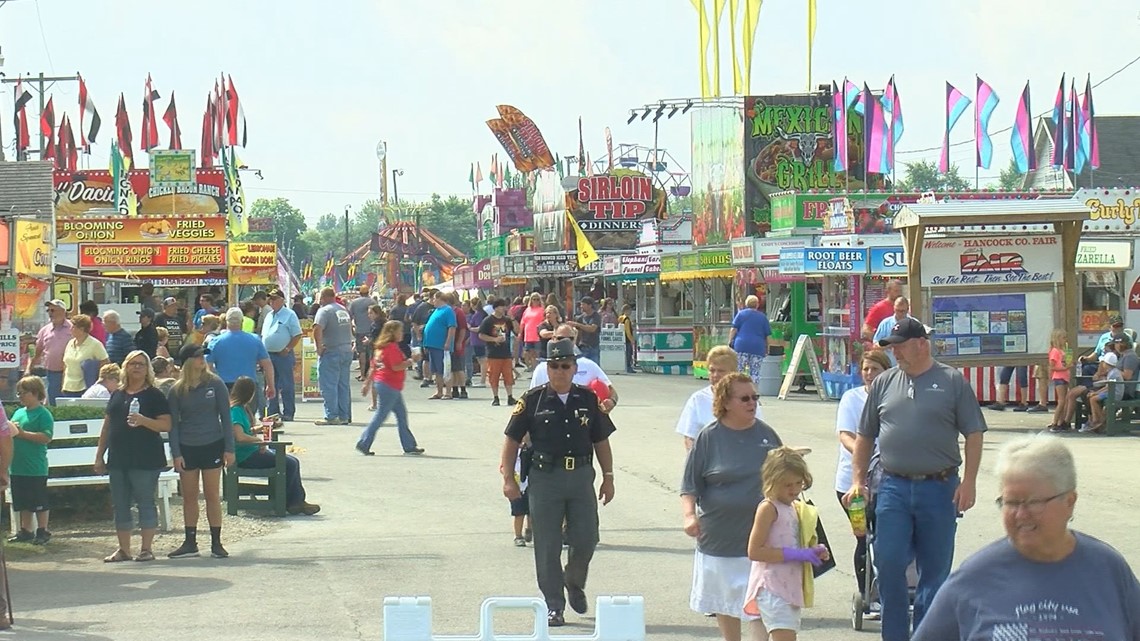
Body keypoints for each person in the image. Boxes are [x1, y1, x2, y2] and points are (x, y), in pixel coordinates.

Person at [913, 435, 1140, 640]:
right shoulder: (974, 578)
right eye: (1011, 502)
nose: (1021, 514)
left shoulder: (1108, 569)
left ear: (1069, 501)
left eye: (1034, 502)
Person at [844, 318, 987, 641]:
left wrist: (970, 482)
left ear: (922, 343)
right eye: (891, 347)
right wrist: (858, 480)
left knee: (934, 571)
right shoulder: (885, 383)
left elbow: (974, 433)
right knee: (889, 561)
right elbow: (865, 436)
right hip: (893, 485)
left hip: (939, 486)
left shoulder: (952, 381)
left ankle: (927, 633)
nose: (895, 353)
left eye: (900, 346)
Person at [500, 338, 617, 627]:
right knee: (547, 544)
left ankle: (574, 581)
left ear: (574, 368)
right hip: (545, 478)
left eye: (565, 366)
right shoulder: (533, 399)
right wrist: (508, 480)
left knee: (587, 537)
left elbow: (600, 440)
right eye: (553, 366)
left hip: (580, 477)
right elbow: (512, 439)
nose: (559, 371)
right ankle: (554, 604)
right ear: (547, 368)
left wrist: (609, 477)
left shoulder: (587, 399)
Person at [681, 372, 783, 641]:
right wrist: (689, 516)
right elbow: (690, 485)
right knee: (726, 603)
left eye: (755, 398)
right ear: (726, 402)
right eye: (745, 398)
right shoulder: (708, 438)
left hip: (761, 540)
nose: (752, 403)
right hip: (720, 540)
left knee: (759, 608)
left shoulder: (767, 435)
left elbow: (786, 478)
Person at [93, 350, 172, 563]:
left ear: (148, 370)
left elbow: (166, 424)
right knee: (120, 504)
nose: (136, 367)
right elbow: (107, 426)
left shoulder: (154, 395)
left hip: (145, 458)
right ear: (125, 367)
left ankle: (146, 549)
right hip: (119, 458)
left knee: (145, 501)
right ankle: (124, 550)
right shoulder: (118, 394)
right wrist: (99, 455)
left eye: (141, 364)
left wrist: (144, 420)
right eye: (132, 364)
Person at [744, 447, 829, 640]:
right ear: (771, 482)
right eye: (787, 485)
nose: (794, 489)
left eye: (798, 483)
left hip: (787, 586)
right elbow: (754, 551)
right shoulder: (768, 508)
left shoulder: (792, 507)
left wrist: (812, 551)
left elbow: (788, 537)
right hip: (771, 587)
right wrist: (795, 554)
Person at [834, 349, 892, 618]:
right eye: (866, 369)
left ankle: (889, 590)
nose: (869, 374)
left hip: (888, 478)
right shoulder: (851, 398)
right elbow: (845, 434)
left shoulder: (895, 397)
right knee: (863, 537)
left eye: (875, 370)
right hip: (852, 485)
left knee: (886, 537)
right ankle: (868, 594)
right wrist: (864, 453)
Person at [168, 343, 235, 559]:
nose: (202, 360)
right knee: (189, 496)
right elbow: (173, 425)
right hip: (187, 445)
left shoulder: (215, 384)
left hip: (212, 442)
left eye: (203, 356)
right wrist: (176, 453)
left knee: (212, 494)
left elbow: (226, 417)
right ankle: (190, 541)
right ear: (188, 361)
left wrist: (229, 448)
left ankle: (216, 541)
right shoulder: (177, 390)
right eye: (197, 357)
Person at [229, 376, 320, 515]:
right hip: (245, 456)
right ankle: (293, 502)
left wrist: (262, 428)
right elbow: (239, 436)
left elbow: (246, 431)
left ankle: (295, 501)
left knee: (292, 461)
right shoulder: (235, 410)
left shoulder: (241, 409)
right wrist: (259, 442)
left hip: (249, 451)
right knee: (289, 463)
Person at [676, 346, 764, 450]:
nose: (715, 375)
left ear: (733, 372)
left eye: (721, 371)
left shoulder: (747, 399)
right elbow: (690, 437)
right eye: (712, 370)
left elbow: (758, 433)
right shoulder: (697, 399)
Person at [356, 320, 424, 456]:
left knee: (401, 415)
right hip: (389, 385)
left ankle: (409, 445)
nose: (402, 334)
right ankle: (364, 441)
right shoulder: (391, 348)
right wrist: (411, 361)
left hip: (385, 384)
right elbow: (396, 366)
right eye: (399, 331)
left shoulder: (380, 348)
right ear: (392, 333)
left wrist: (367, 384)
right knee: (381, 415)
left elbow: (373, 368)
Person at [529, 325, 619, 413]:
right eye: (561, 338)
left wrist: (611, 402)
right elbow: (532, 400)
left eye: (570, 338)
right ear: (553, 338)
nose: (566, 342)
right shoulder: (541, 369)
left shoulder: (589, 365)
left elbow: (611, 390)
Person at [8, 376, 53, 545]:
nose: (19, 396)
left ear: (35, 393)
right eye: (18, 393)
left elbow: (46, 437)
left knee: (38, 499)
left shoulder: (43, 414)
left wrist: (22, 434)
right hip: (17, 465)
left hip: (35, 466)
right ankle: (26, 530)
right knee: (22, 500)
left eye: (23, 393)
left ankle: (43, 529)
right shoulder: (19, 412)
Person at [207, 308, 275, 400]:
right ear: (242, 321)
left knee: (226, 413)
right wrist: (271, 385)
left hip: (224, 386)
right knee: (247, 413)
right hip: (248, 385)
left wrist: (208, 387)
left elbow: (207, 367)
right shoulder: (255, 340)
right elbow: (267, 364)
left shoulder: (215, 342)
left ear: (226, 322)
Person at [312, 286, 354, 426]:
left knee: (329, 384)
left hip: (331, 351)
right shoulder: (343, 310)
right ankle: (344, 415)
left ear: (323, 298)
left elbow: (317, 328)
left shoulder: (324, 311)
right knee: (343, 385)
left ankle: (331, 415)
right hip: (346, 349)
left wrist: (319, 347)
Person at [261, 287, 303, 422]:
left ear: (281, 300)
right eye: (270, 299)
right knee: (270, 384)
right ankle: (273, 411)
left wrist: (288, 348)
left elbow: (297, 334)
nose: (271, 302)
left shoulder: (289, 314)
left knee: (286, 385)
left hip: (283, 354)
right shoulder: (269, 315)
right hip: (269, 355)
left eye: (274, 299)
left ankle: (288, 412)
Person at [27, 299, 72, 405]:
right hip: (52, 372)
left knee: (68, 401)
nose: (50, 313)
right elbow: (37, 352)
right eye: (49, 311)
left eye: (53, 310)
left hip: (71, 372)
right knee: (53, 401)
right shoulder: (44, 330)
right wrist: (28, 369)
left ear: (63, 311)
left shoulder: (73, 328)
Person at [480, 298, 520, 407]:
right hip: (493, 353)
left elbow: (517, 330)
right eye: (502, 306)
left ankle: (510, 396)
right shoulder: (488, 320)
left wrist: (512, 319)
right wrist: (494, 339)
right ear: (496, 307)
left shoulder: (507, 320)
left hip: (506, 353)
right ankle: (496, 397)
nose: (504, 308)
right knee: (494, 376)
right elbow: (481, 335)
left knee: (508, 376)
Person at [61, 314, 110, 398]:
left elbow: (105, 363)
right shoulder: (70, 343)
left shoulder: (95, 344)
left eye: (73, 327)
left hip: (85, 388)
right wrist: (63, 384)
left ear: (81, 329)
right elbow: (66, 365)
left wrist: (99, 381)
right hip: (68, 387)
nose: (70, 329)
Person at [729, 295, 772, 386]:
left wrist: (730, 341)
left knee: (740, 370)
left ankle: (739, 388)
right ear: (757, 305)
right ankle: (753, 391)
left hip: (741, 346)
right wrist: (768, 348)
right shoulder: (762, 317)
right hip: (757, 347)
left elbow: (733, 329)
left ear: (746, 304)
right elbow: (767, 335)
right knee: (755, 372)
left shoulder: (741, 314)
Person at [421, 291, 457, 400]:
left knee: (445, 369)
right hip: (432, 345)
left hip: (441, 345)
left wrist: (448, 342)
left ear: (440, 299)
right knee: (436, 370)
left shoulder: (448, 310)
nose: (432, 301)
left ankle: (448, 392)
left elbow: (452, 327)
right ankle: (439, 391)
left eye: (434, 299)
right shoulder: (437, 310)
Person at [1084, 351, 1124, 433]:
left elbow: (1108, 387)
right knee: (1092, 398)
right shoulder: (1112, 372)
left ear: (1106, 363)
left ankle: (1101, 420)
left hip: (1114, 394)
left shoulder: (1113, 373)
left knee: (1093, 399)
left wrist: (1096, 393)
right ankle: (1096, 420)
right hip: (1111, 392)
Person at [871, 297, 912, 366]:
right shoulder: (885, 323)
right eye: (897, 310)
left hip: (909, 366)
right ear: (894, 308)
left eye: (902, 311)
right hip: (889, 366)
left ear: (907, 309)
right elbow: (875, 346)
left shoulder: (913, 324)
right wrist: (888, 344)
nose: (900, 313)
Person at [1046, 329, 1073, 431]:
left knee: (1065, 401)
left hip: (1065, 376)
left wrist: (1069, 363)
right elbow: (1052, 367)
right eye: (1063, 338)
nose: (1065, 340)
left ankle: (1060, 421)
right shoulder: (1055, 351)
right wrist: (1064, 368)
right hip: (1059, 377)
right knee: (1061, 401)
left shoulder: (1064, 350)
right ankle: (1055, 422)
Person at [349, 285, 375, 381]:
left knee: (362, 353)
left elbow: (349, 317)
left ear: (359, 293)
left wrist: (352, 328)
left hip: (359, 330)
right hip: (371, 330)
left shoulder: (354, 303)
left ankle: (362, 374)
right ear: (368, 292)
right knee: (371, 353)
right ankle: (371, 374)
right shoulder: (372, 302)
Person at [447, 293, 469, 399]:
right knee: (453, 368)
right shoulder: (450, 311)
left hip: (456, 343)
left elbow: (463, 329)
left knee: (459, 368)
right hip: (450, 344)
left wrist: (459, 341)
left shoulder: (458, 312)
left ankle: (463, 389)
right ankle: (455, 389)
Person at [569, 297, 602, 364]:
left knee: (593, 367)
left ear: (590, 305)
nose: (581, 306)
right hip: (583, 346)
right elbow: (577, 332)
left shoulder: (596, 316)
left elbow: (592, 329)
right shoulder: (580, 317)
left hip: (593, 346)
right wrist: (574, 344)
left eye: (583, 304)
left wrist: (577, 324)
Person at [154, 297, 186, 362]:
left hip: (178, 353)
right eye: (172, 306)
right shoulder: (159, 318)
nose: (175, 308)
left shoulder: (179, 319)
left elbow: (185, 331)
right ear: (166, 307)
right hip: (165, 352)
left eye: (176, 305)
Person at [520, 293, 546, 371]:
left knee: (537, 354)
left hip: (537, 335)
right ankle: (532, 368)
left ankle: (536, 370)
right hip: (528, 335)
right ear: (531, 300)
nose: (536, 301)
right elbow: (522, 322)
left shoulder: (542, 310)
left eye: (537, 299)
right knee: (528, 354)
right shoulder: (527, 310)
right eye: (534, 299)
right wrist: (520, 333)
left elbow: (545, 321)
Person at [466, 297, 488, 388]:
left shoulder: (478, 315)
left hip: (478, 340)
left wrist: (470, 328)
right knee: (481, 360)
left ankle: (483, 381)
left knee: (482, 360)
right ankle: (482, 380)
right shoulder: (480, 314)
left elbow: (480, 328)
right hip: (477, 340)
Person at [617, 304, 636, 374]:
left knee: (625, 354)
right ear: (626, 311)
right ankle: (628, 367)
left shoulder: (621, 318)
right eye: (629, 310)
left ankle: (626, 367)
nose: (630, 312)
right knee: (629, 354)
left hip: (623, 339)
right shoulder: (627, 320)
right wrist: (632, 339)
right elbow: (628, 331)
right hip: (627, 340)